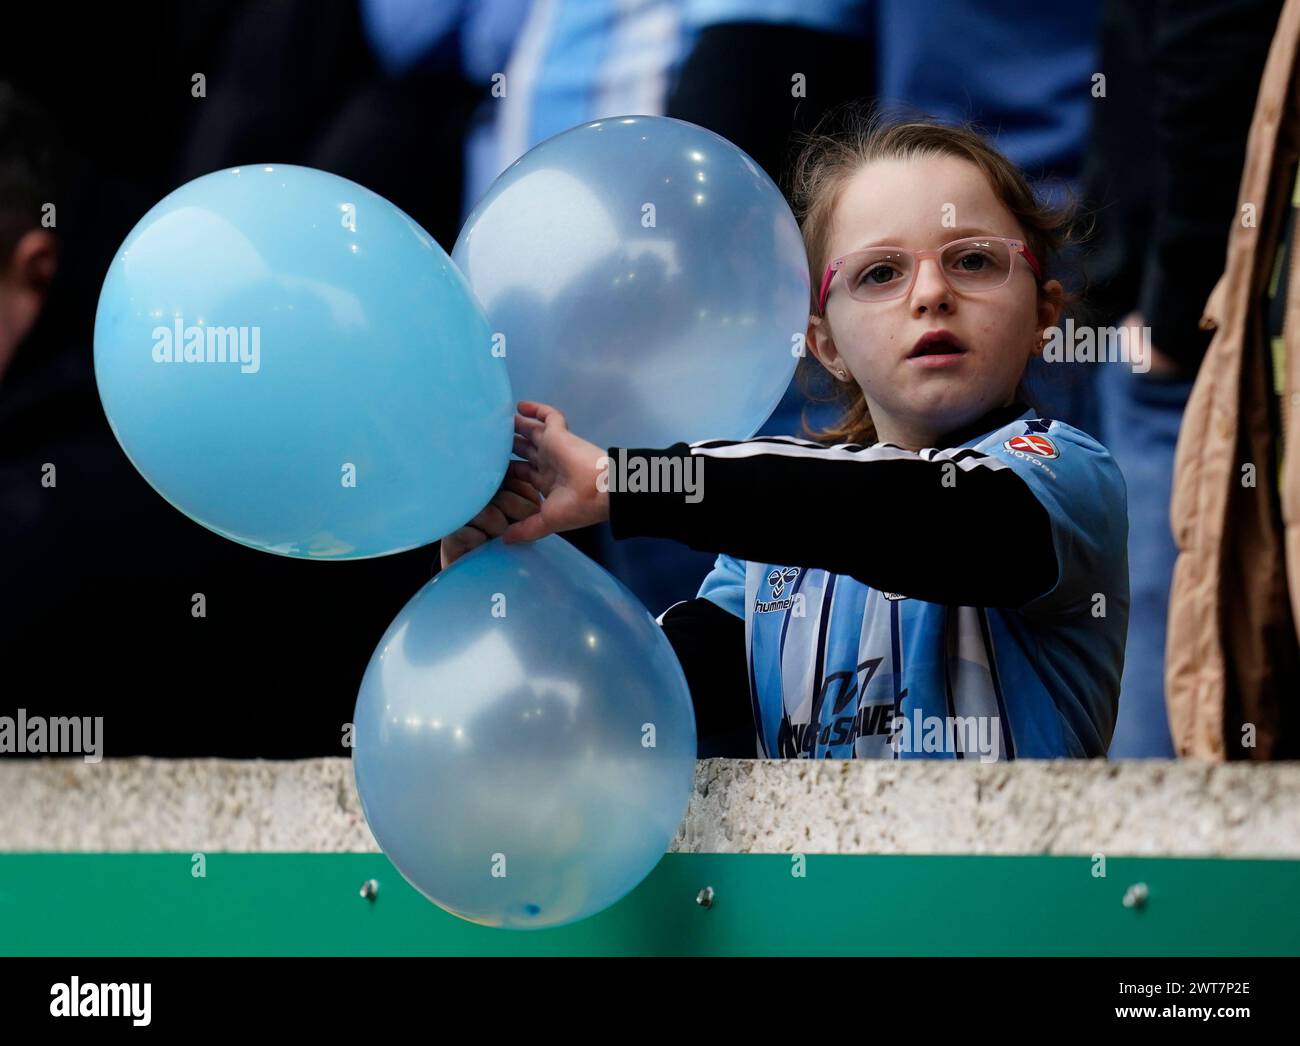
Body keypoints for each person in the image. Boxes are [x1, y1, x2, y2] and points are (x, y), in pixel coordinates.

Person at [441, 109, 1130, 760]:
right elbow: (622, 704)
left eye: (974, 260)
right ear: (824, 343)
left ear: (1047, 314)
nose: (930, 293)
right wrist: (501, 584)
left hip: (1011, 888)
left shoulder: (1067, 475)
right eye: (880, 273)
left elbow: (920, 515)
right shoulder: (762, 566)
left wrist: (628, 481)